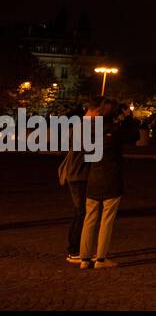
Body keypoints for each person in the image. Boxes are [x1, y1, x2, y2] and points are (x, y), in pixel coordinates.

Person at [79, 99, 140, 269]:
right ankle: (100, 258)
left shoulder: (87, 131)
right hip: (111, 178)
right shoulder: (114, 131)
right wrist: (128, 117)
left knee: (89, 219)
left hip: (94, 177)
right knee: (107, 220)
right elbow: (135, 135)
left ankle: (84, 258)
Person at [59, 102, 92, 265]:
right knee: (80, 213)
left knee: (80, 212)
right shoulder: (79, 132)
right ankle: (74, 249)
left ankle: (75, 248)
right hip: (78, 176)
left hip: (76, 175)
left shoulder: (75, 132)